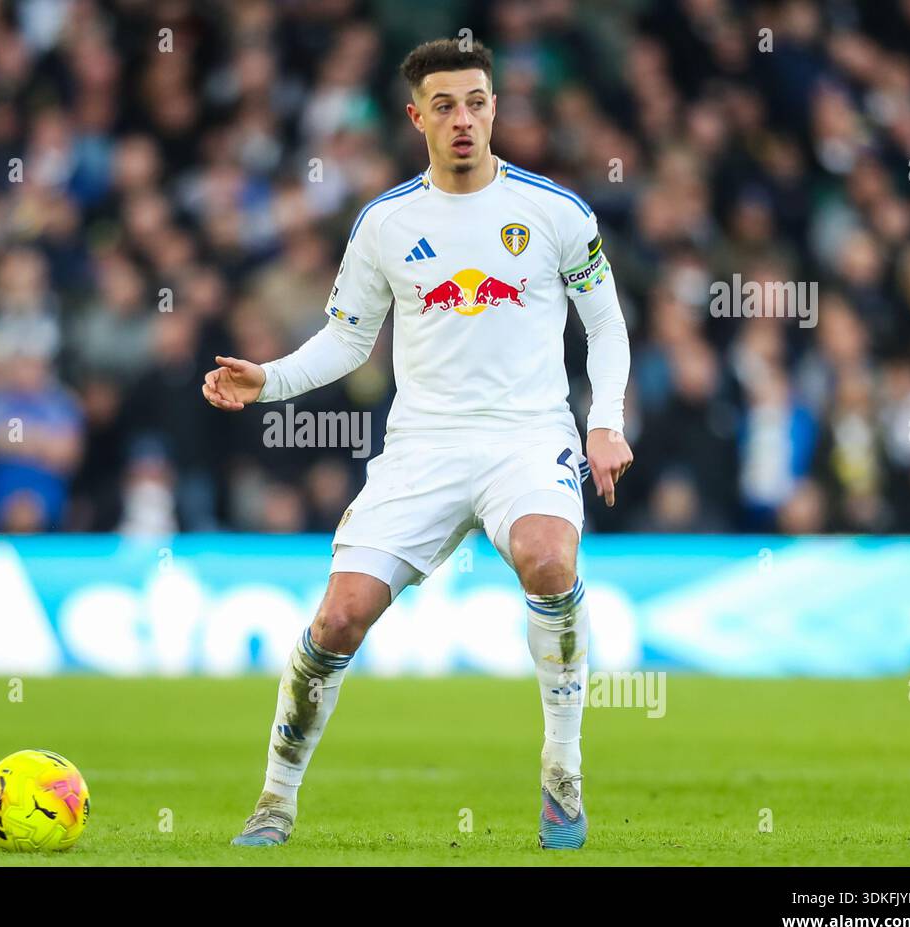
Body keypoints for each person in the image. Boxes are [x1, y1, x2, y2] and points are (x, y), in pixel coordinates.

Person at [202, 38, 633, 850]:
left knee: (550, 559)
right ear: (417, 118)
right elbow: (347, 340)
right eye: (444, 105)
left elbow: (605, 324)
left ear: (495, 107)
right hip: (423, 448)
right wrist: (271, 378)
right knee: (338, 620)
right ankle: (274, 799)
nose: (463, 119)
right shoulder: (386, 224)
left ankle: (563, 769)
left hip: (527, 436)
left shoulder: (557, 213)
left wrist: (602, 420)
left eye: (476, 101)